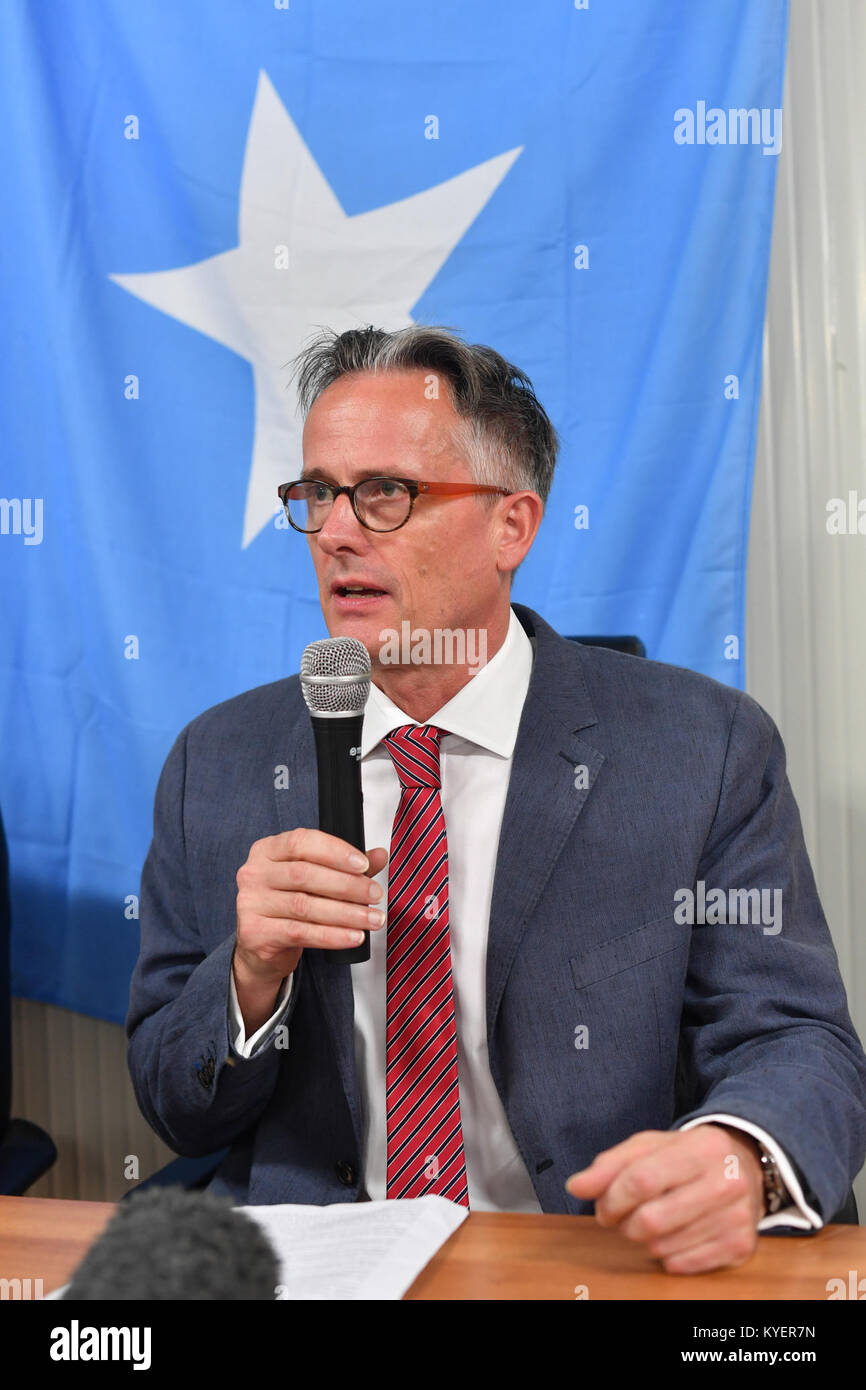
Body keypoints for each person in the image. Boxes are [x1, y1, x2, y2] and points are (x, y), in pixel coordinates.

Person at [127, 324, 866, 1275]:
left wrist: (739, 1155)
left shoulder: (698, 749)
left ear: (511, 525)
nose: (338, 531)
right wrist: (249, 976)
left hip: (588, 1260)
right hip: (319, 1268)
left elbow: (797, 1041)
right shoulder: (218, 762)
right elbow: (173, 1105)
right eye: (317, 494)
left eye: (385, 493)